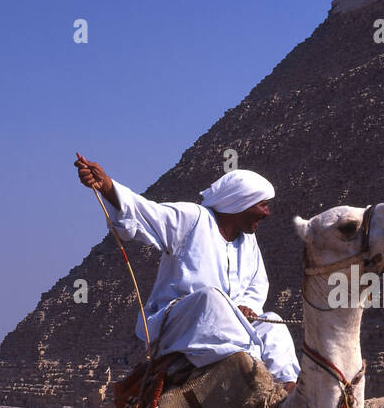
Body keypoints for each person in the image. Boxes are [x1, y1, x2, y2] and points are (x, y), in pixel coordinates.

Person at [74, 154, 300, 388]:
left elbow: (256, 286)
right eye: (262, 205)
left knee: (273, 322)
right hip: (180, 324)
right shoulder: (193, 219)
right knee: (211, 298)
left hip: (230, 327)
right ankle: (245, 369)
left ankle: (288, 393)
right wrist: (108, 186)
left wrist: (248, 307)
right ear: (240, 202)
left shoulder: (248, 242)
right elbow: (148, 213)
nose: (267, 213)